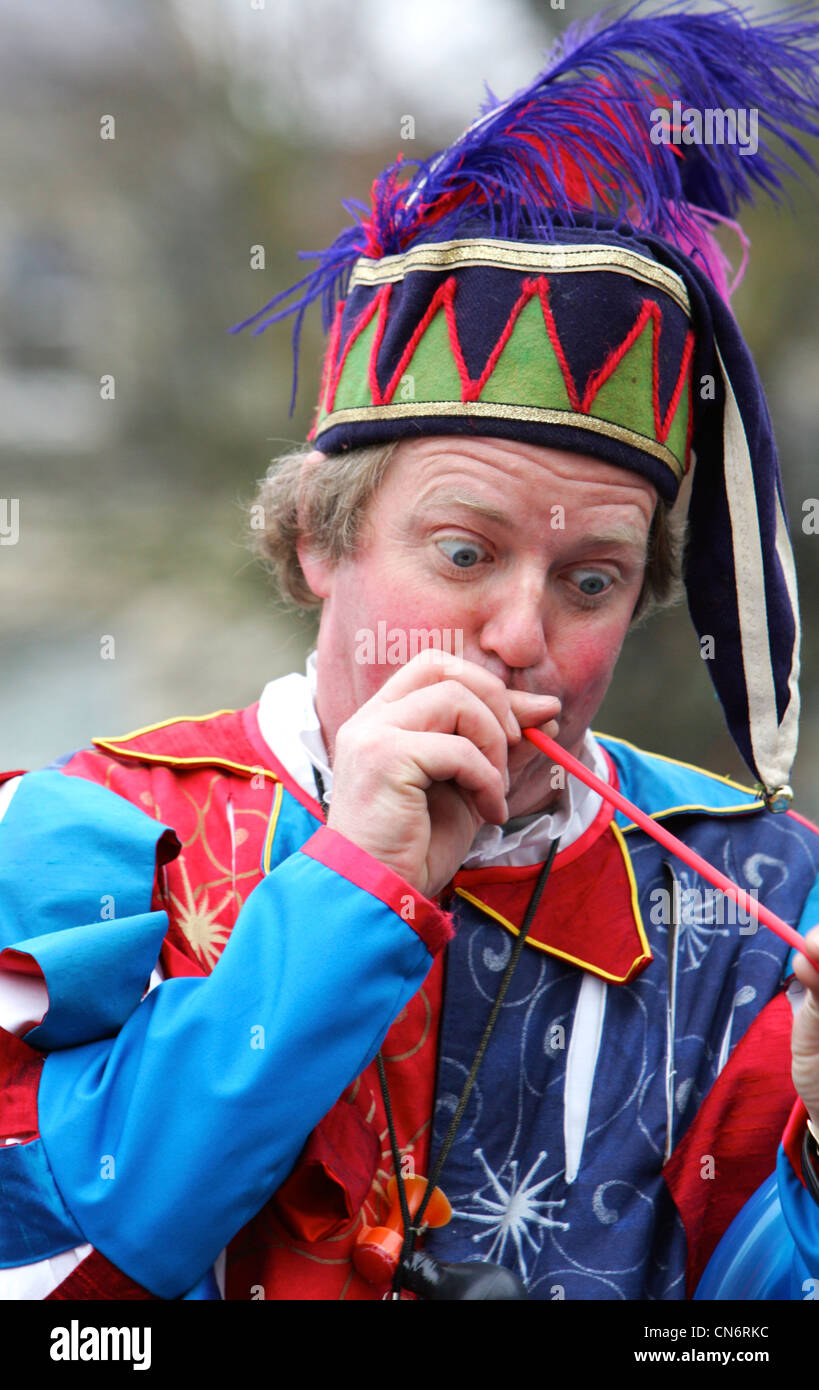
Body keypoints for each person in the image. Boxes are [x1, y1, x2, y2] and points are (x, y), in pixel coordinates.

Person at [2, 3, 819, 1301]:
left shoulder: (764, 895)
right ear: (321, 541)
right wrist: (354, 885)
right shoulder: (77, 837)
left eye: (590, 578)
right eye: (462, 551)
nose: (518, 632)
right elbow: (54, 1278)